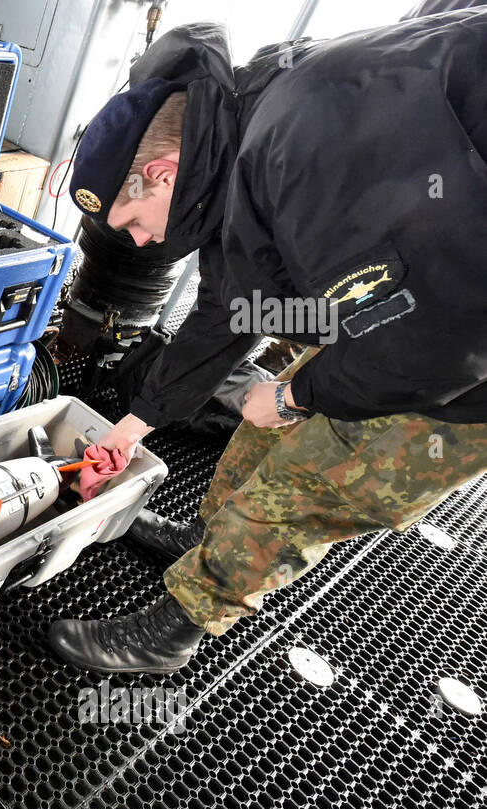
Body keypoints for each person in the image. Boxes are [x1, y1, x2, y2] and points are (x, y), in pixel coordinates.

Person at [46, 11, 487, 674]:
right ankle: (206, 536)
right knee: (260, 428)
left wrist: (299, 392)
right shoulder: (242, 134)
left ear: (163, 174)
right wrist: (136, 423)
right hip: (398, 304)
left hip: (456, 363)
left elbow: (442, 343)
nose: (136, 242)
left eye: (132, 221)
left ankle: (179, 624)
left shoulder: (304, 148)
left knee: (306, 477)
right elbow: (231, 307)